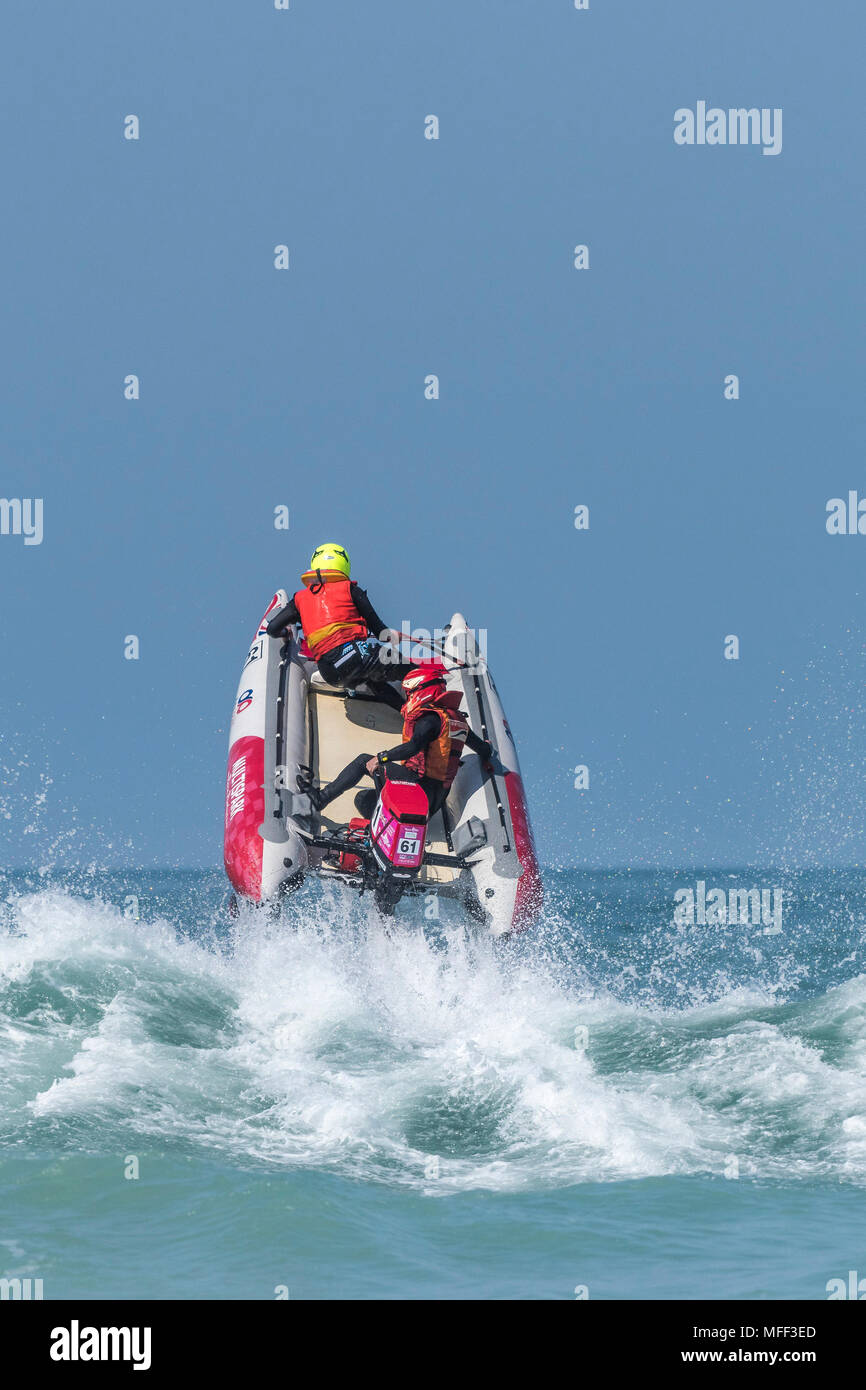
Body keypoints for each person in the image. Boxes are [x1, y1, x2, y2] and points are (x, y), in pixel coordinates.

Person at [308, 662, 492, 820]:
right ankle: (390, 824)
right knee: (364, 799)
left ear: (422, 691)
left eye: (410, 693)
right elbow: (483, 749)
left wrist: (382, 758)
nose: (409, 697)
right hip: (434, 802)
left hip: (417, 787)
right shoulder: (457, 721)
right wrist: (487, 757)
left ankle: (319, 799)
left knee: (363, 761)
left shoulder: (429, 720)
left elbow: (413, 747)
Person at [265, 543, 412, 710]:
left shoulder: (299, 599)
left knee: (372, 682)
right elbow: (381, 633)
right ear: (344, 564)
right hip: (354, 656)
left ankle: (405, 711)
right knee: (409, 668)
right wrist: (393, 636)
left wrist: (287, 632)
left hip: (331, 673)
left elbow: (272, 629)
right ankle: (426, 707)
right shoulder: (350, 589)